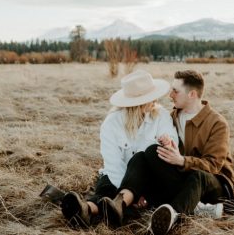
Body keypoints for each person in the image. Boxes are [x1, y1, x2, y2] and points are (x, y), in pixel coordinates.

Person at [60, 70, 177, 227]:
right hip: (116, 176)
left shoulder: (161, 115)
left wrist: (168, 142)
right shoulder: (111, 124)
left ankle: (97, 209)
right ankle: (86, 209)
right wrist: (129, 194)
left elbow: (172, 141)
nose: (155, 100)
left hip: (149, 179)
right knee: (105, 190)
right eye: (150, 97)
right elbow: (113, 166)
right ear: (138, 103)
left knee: (126, 183)